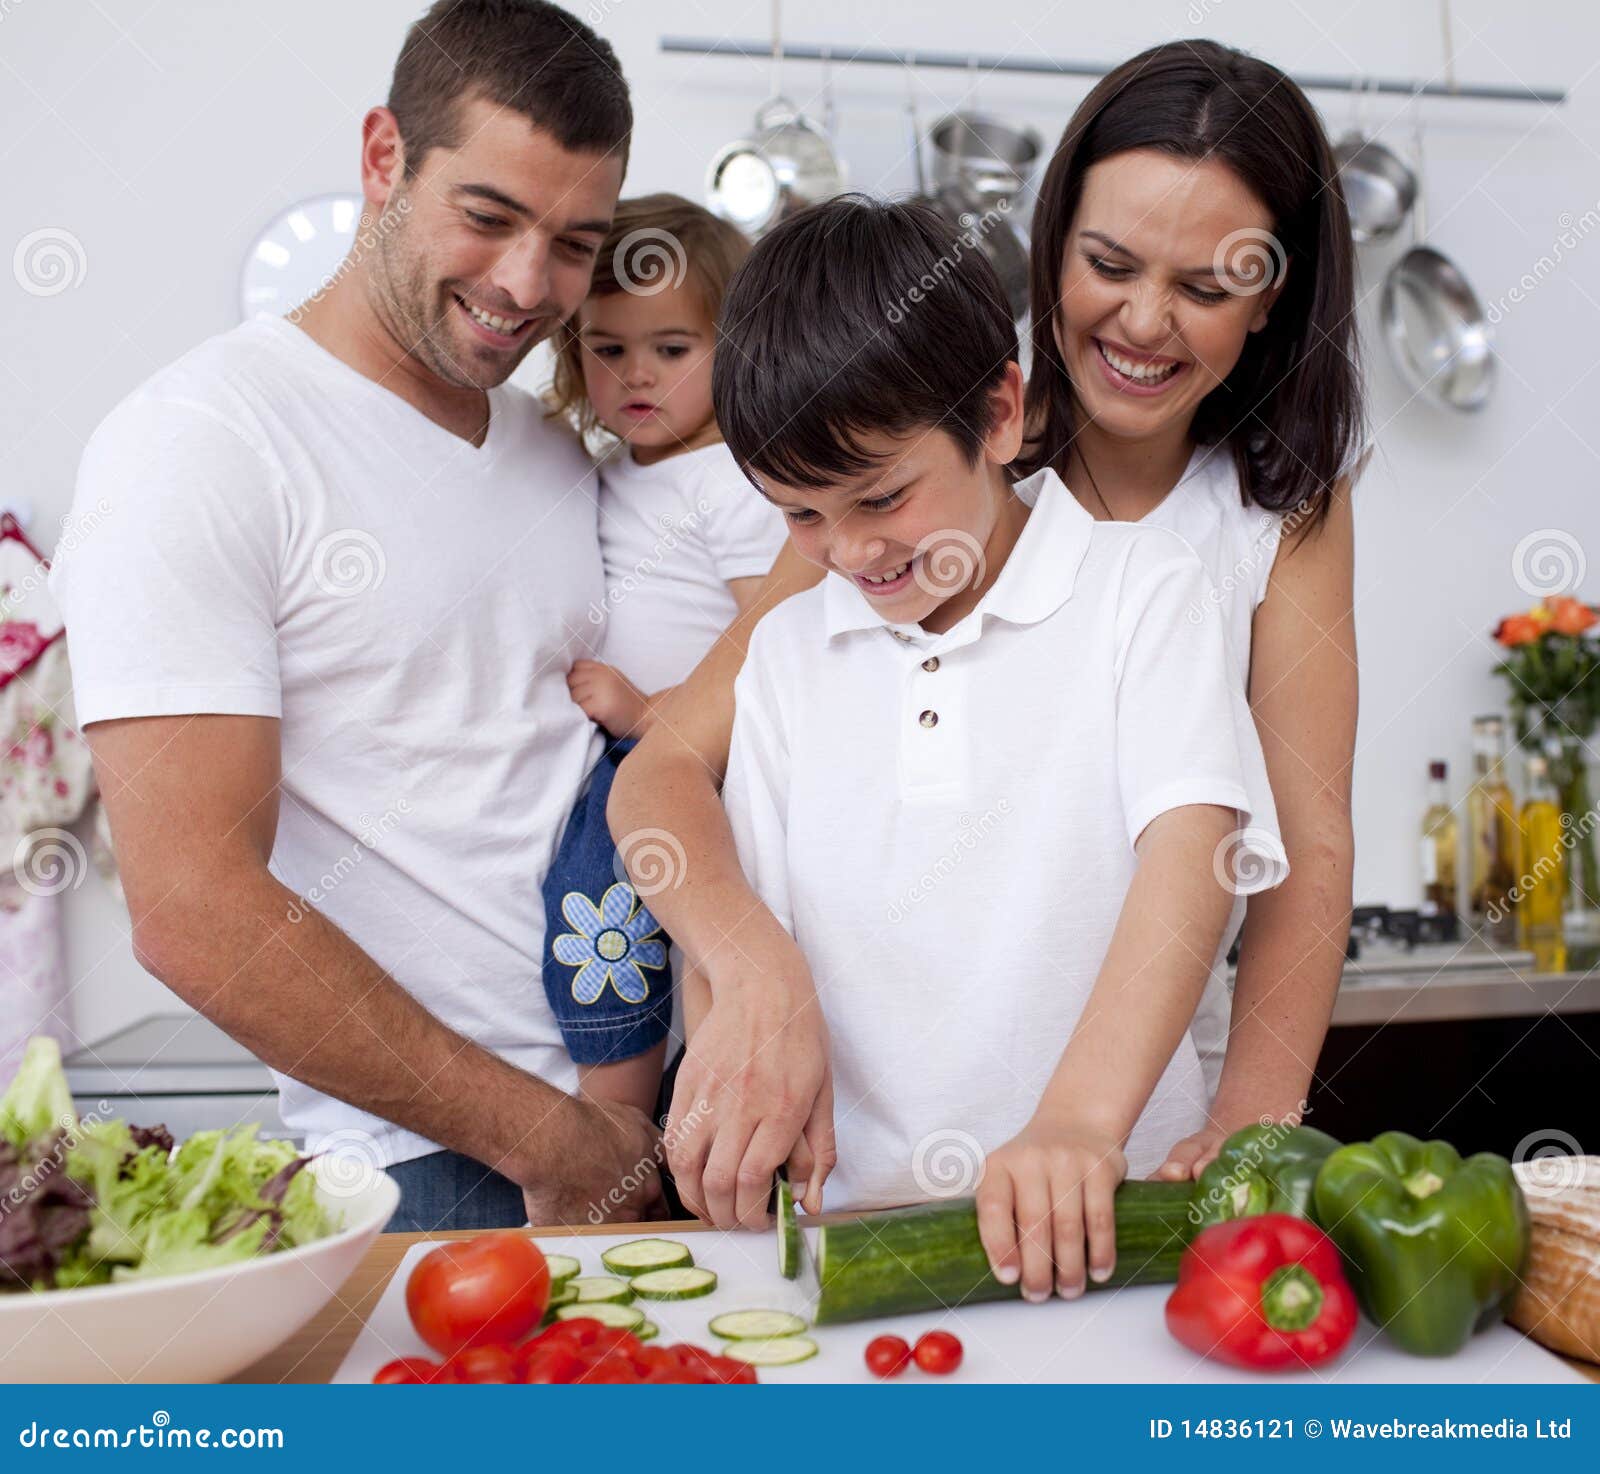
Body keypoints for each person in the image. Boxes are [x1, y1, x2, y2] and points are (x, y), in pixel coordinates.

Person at [610, 40, 1362, 1240]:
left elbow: (1295, 837)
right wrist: (747, 982)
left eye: (1207, 287)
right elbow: (672, 772)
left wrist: (1252, 1116)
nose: (1144, 320)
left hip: (1116, 1135)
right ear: (1052, 243)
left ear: (1271, 292)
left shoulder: (1252, 524)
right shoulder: (884, 456)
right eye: (1108, 262)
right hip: (866, 1206)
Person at [49, 0, 663, 1232]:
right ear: (384, 155)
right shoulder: (201, 444)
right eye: (486, 219)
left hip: (651, 1115)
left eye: (574, 243)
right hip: (445, 1164)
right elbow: (192, 907)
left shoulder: (557, 446)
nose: (523, 284)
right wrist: (552, 1139)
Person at [700, 195, 1286, 1295]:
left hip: (1111, 1238)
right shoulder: (784, 653)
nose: (848, 551)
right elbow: (750, 931)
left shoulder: (1139, 593)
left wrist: (1076, 1119)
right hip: (858, 1252)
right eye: (798, 515)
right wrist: (736, 1090)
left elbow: (1190, 854)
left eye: (880, 495)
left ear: (1001, 414)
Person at [537, 195, 787, 1115]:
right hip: (636, 739)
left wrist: (654, 713)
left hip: (689, 746)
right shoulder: (610, 472)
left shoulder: (735, 479)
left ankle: (617, 1114)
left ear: (737, 349)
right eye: (608, 350)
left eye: (673, 350)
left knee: (599, 884)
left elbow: (773, 634)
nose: (637, 375)